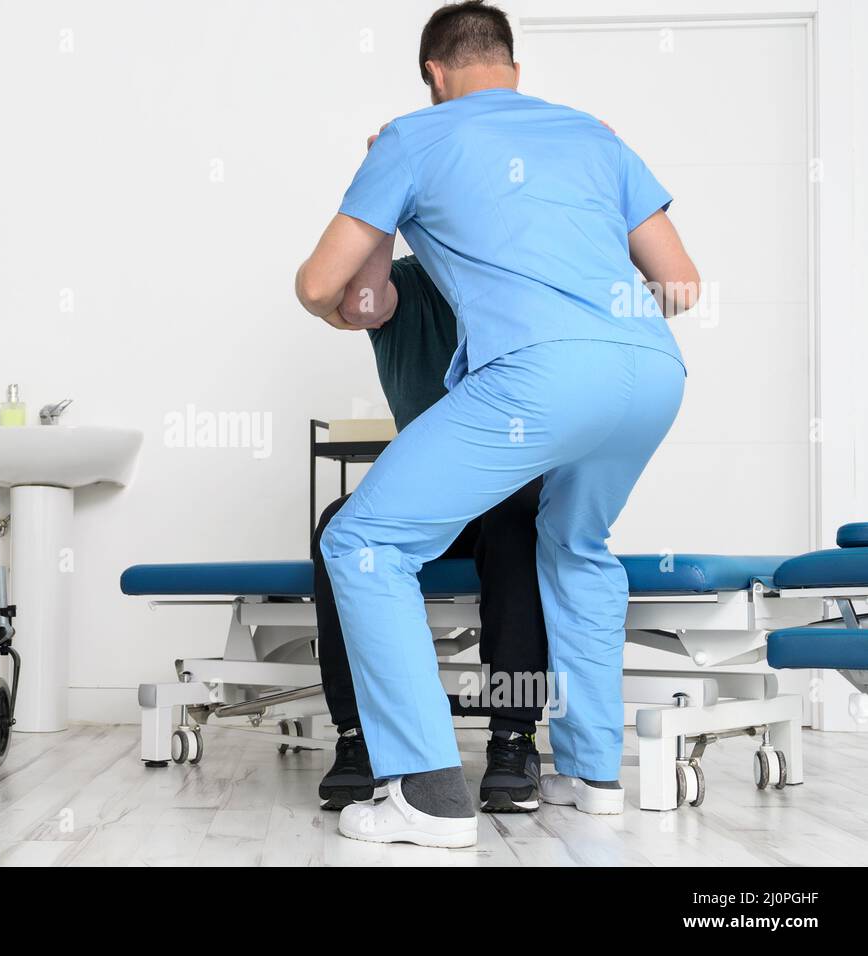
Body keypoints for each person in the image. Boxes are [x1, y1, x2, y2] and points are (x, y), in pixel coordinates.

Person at [294, 0, 698, 847]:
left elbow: (318, 287)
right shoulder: (594, 135)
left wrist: (384, 179)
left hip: (542, 377)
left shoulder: (413, 135)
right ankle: (594, 779)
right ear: (512, 64)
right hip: (652, 372)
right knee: (576, 548)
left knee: (362, 542)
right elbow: (680, 285)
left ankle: (430, 799)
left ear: (434, 74)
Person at [313, 248, 547, 815]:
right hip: (425, 493)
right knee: (338, 524)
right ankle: (357, 738)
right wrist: (386, 182)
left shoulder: (518, 273)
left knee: (518, 516)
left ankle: (514, 739)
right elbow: (363, 306)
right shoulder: (396, 282)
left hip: (506, 489)